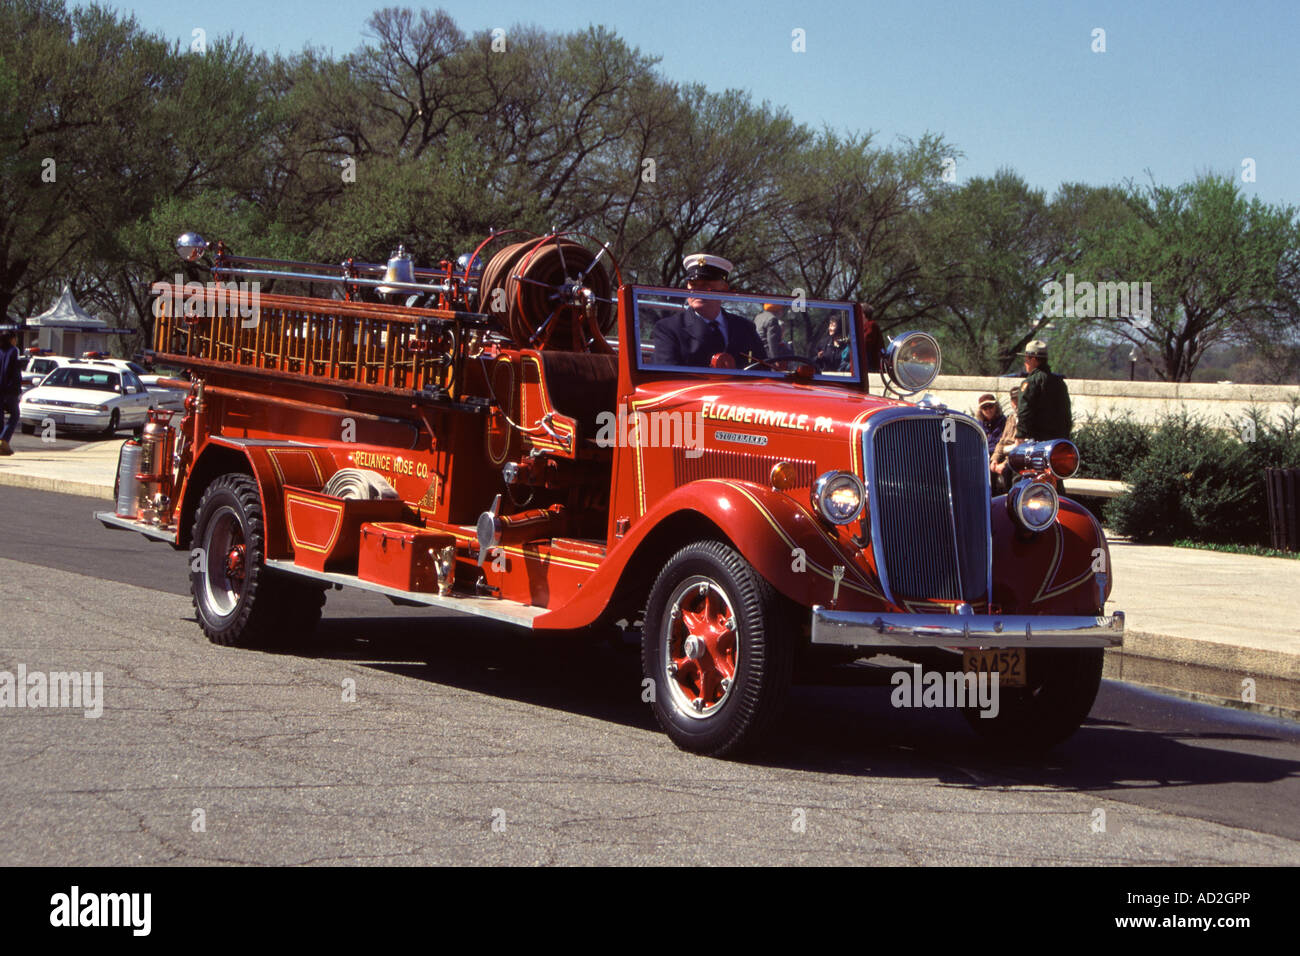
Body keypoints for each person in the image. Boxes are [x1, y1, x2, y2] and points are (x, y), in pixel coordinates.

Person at [651, 254, 766, 367]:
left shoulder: (745, 328)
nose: (698, 292)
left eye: (706, 286)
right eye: (694, 285)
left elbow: (763, 370)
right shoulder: (669, 329)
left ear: (724, 289)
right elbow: (667, 376)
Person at [1016, 340, 1072, 441]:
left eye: (1026, 359)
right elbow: (1066, 413)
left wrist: (1020, 436)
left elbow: (1024, 412)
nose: (1025, 363)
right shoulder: (1059, 382)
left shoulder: (1030, 382)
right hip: (1059, 440)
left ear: (1033, 360)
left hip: (1038, 440)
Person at [990, 383, 1021, 493]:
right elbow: (1001, 442)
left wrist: (1003, 464)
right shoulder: (1011, 418)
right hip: (1005, 454)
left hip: (1016, 457)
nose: (1016, 403)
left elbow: (1019, 446)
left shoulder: (1026, 419)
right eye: (1014, 400)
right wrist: (994, 460)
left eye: (1019, 399)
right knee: (989, 471)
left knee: (1008, 470)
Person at [0, 331, 21, 455]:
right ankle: (4, 440)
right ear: (11, 339)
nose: (16, 341)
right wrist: (16, 389)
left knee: (0, 418)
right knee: (14, 415)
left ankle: (3, 447)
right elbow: (13, 371)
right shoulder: (14, 351)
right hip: (9, 389)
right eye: (15, 338)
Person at [975, 392, 1006, 458]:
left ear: (996, 407)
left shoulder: (1004, 422)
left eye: (990, 406)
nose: (988, 410)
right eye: (984, 408)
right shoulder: (978, 425)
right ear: (981, 410)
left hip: (998, 457)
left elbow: (1001, 444)